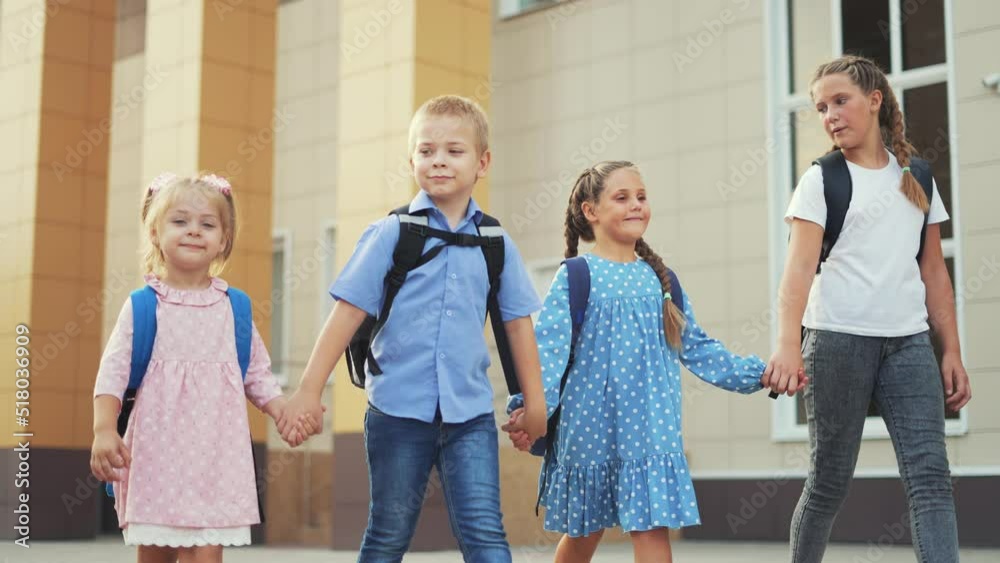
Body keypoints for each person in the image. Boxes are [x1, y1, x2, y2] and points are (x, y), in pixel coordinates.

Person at [278, 95, 547, 562]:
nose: (438, 160)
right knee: (388, 533)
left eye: (454, 150)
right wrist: (307, 389)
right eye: (426, 151)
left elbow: (518, 325)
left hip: (470, 416)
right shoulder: (391, 234)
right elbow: (347, 313)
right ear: (411, 160)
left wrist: (537, 403)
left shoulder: (495, 243)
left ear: (483, 162)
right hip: (397, 412)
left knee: (486, 535)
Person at [505, 160, 804, 563]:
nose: (636, 205)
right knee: (583, 536)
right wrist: (529, 412)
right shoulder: (576, 277)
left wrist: (761, 374)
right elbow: (549, 359)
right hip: (589, 433)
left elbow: (698, 348)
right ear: (590, 211)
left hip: (650, 434)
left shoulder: (663, 282)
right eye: (622, 197)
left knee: (651, 532)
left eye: (642, 197)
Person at [765, 55, 971, 563]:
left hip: (908, 343)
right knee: (829, 481)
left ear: (874, 100)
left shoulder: (916, 176)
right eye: (820, 107)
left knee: (931, 478)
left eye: (841, 101)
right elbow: (797, 274)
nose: (830, 115)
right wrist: (788, 347)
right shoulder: (822, 180)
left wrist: (951, 352)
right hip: (836, 340)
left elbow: (934, 273)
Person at [91, 172, 312, 562]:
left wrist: (283, 412)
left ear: (223, 240)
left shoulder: (234, 308)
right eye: (180, 221)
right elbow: (113, 373)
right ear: (155, 233)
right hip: (157, 457)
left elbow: (257, 373)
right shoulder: (144, 306)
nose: (194, 231)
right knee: (155, 551)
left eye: (207, 224)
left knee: (207, 553)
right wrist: (105, 430)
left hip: (217, 458)